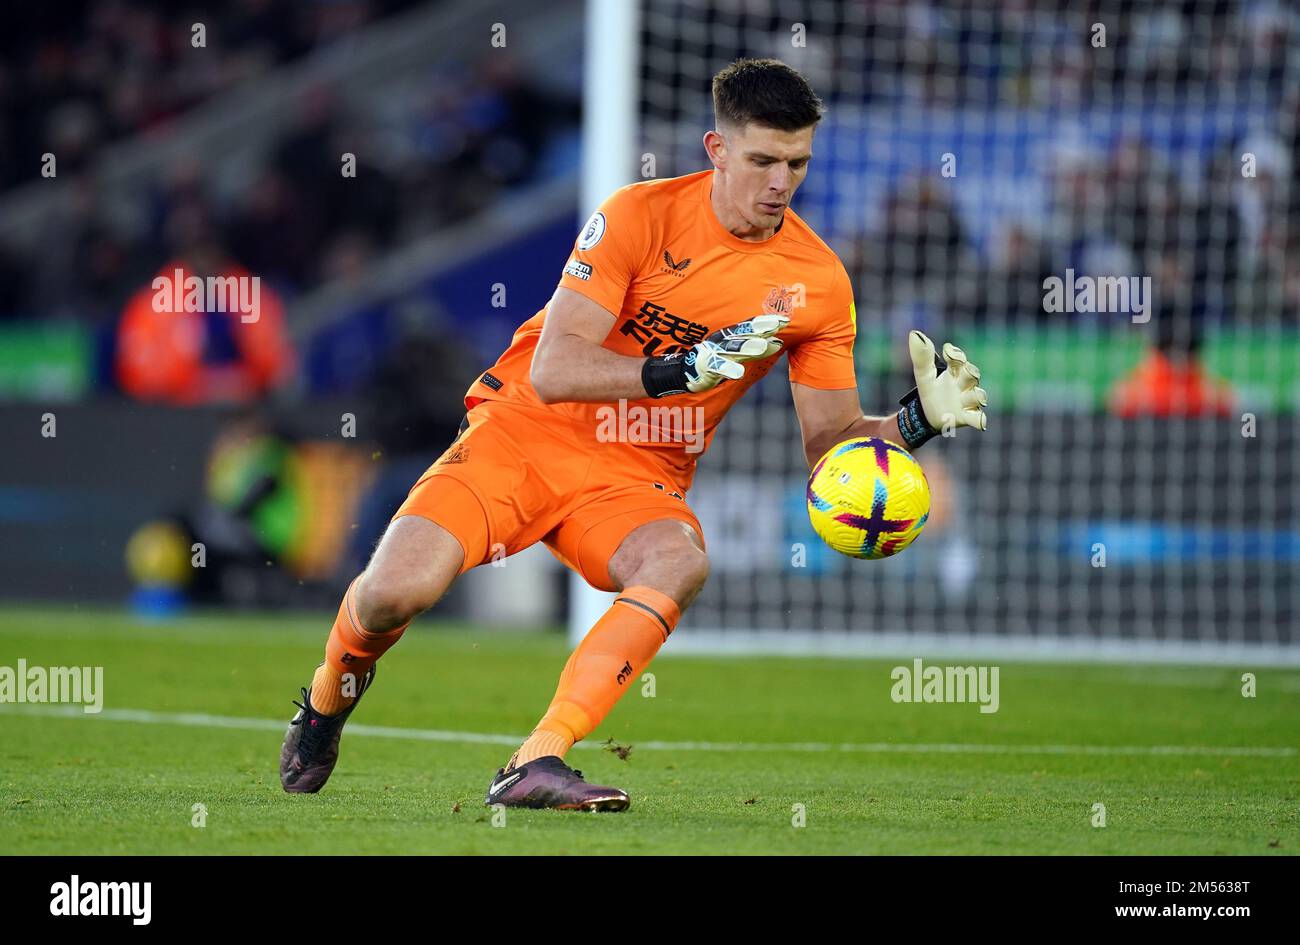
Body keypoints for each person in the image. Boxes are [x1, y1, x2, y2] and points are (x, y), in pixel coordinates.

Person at [278, 58, 989, 811]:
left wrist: (914, 421)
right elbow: (553, 367)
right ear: (717, 150)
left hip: (638, 474)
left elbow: (830, 445)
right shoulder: (636, 217)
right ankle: (326, 702)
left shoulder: (818, 281)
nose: (780, 182)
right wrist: (677, 370)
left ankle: (537, 759)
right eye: (762, 160)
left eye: (797, 163)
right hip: (524, 432)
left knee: (678, 560)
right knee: (393, 593)